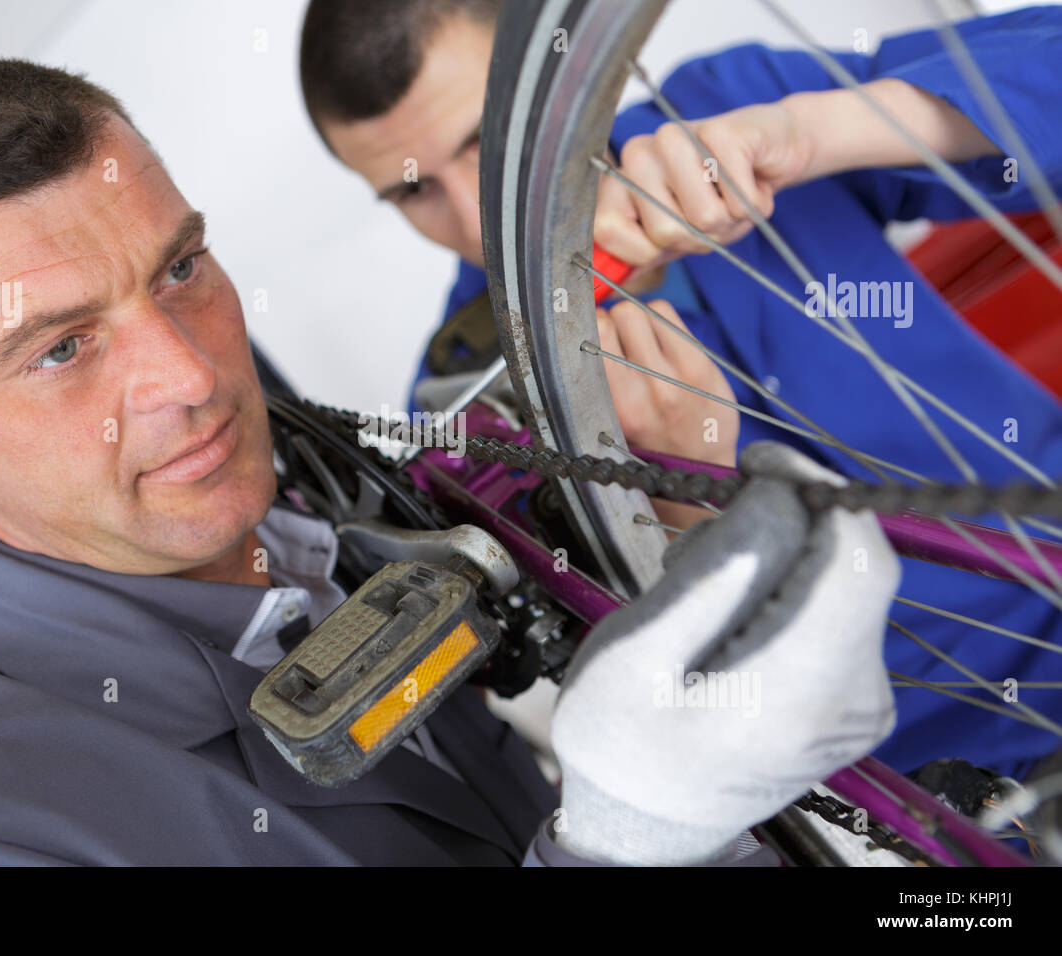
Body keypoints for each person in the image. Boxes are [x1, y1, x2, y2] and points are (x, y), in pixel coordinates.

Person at [0, 58, 898, 866]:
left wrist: (663, 535)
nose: (187, 373)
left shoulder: (316, 547)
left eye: (180, 270)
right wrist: (630, 838)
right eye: (62, 347)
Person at [300, 0, 1062, 781]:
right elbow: (688, 712)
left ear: (561, 77)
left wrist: (811, 134)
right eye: (414, 190)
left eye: (486, 142)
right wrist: (681, 499)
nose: (476, 215)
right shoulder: (460, 411)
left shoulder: (720, 109)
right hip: (917, 780)